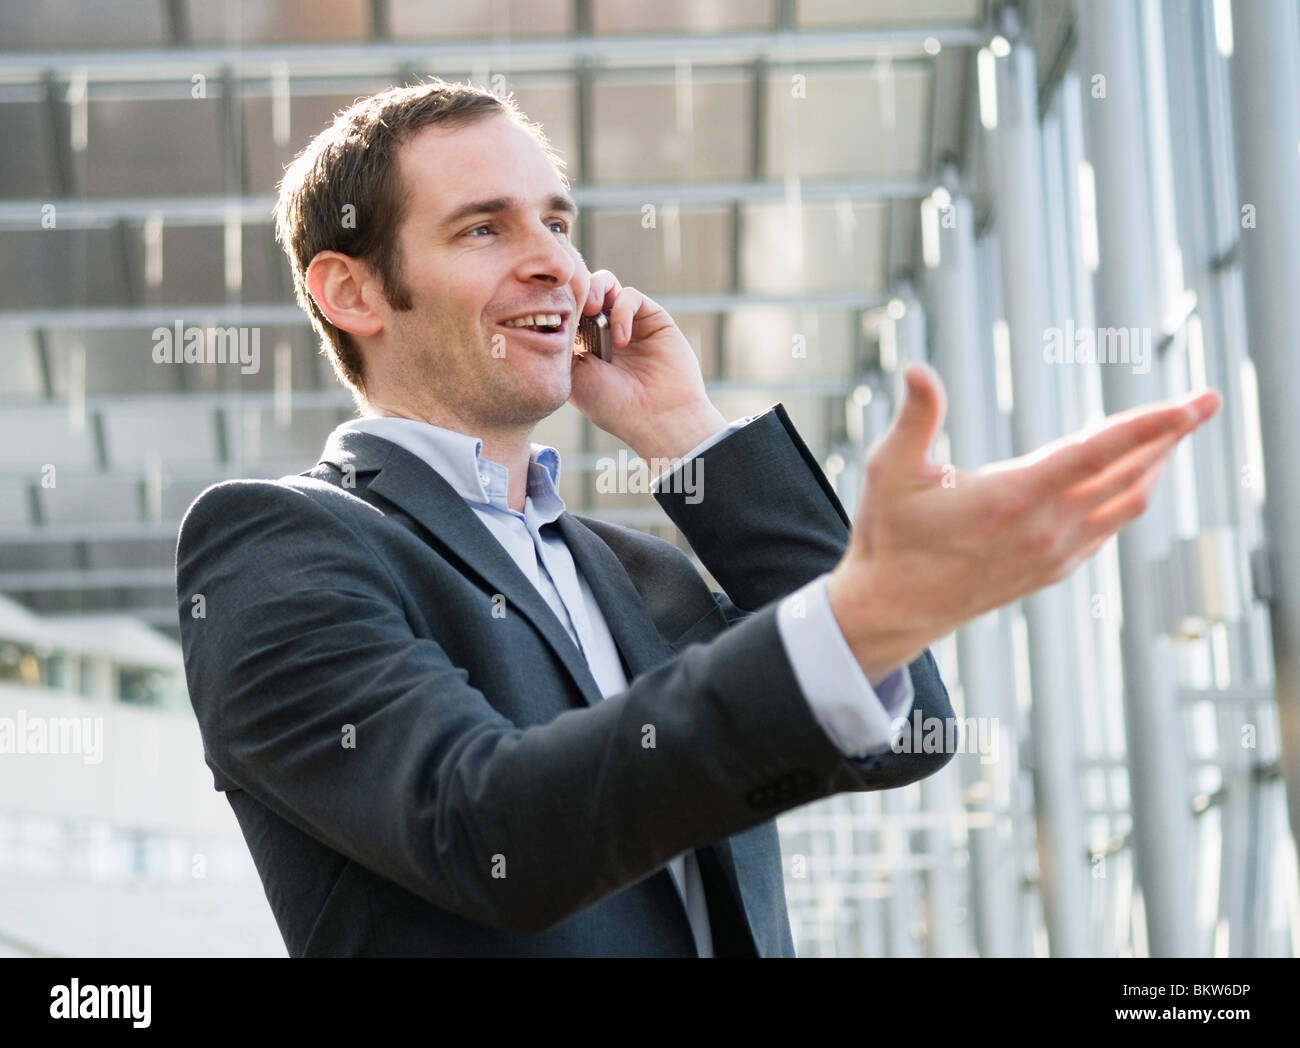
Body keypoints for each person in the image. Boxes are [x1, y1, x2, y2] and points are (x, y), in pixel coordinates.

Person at [175, 79, 1221, 958]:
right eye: (483, 226)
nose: (554, 261)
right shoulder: (278, 540)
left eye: (555, 220)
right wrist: (860, 613)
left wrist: (687, 436)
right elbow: (484, 826)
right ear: (352, 292)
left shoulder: (635, 572)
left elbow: (905, 732)